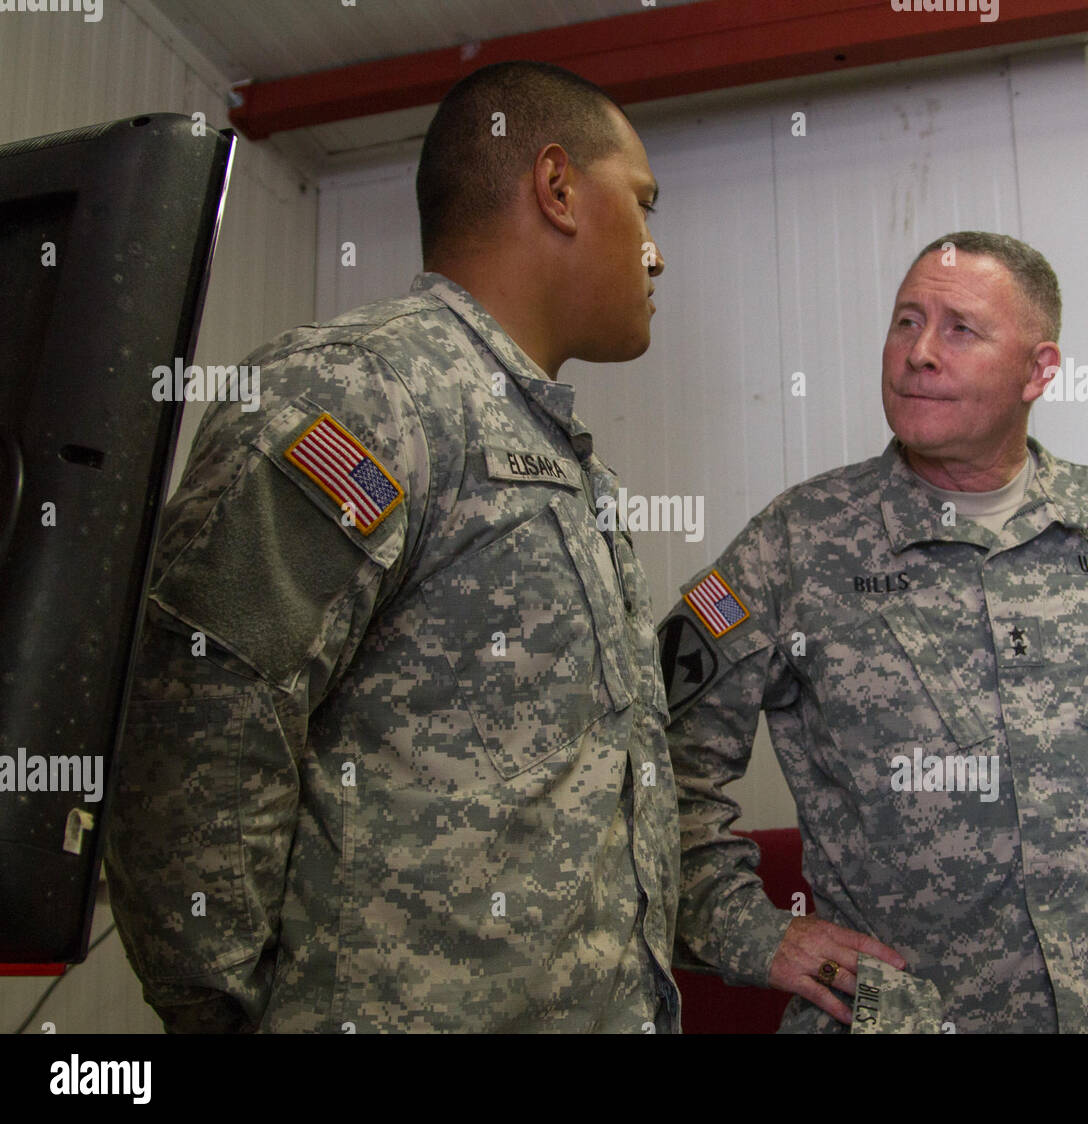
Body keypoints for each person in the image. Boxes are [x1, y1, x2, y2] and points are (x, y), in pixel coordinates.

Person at [105, 60, 679, 1033]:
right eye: (643, 202)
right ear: (557, 188)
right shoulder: (368, 393)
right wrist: (219, 1015)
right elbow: (203, 720)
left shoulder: (552, 453)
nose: (656, 253)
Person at [658, 231, 1088, 1032]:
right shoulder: (797, 546)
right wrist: (756, 934)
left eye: (960, 328)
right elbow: (648, 763)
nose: (920, 353)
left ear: (1039, 370)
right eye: (905, 322)